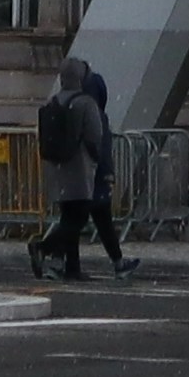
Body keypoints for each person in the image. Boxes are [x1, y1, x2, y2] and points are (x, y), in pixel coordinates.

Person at [31, 54, 125, 281]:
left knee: (69, 217)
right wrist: (95, 162)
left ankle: (68, 266)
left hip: (59, 168)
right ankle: (44, 248)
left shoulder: (55, 101)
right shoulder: (86, 103)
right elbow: (95, 139)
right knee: (79, 218)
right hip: (81, 170)